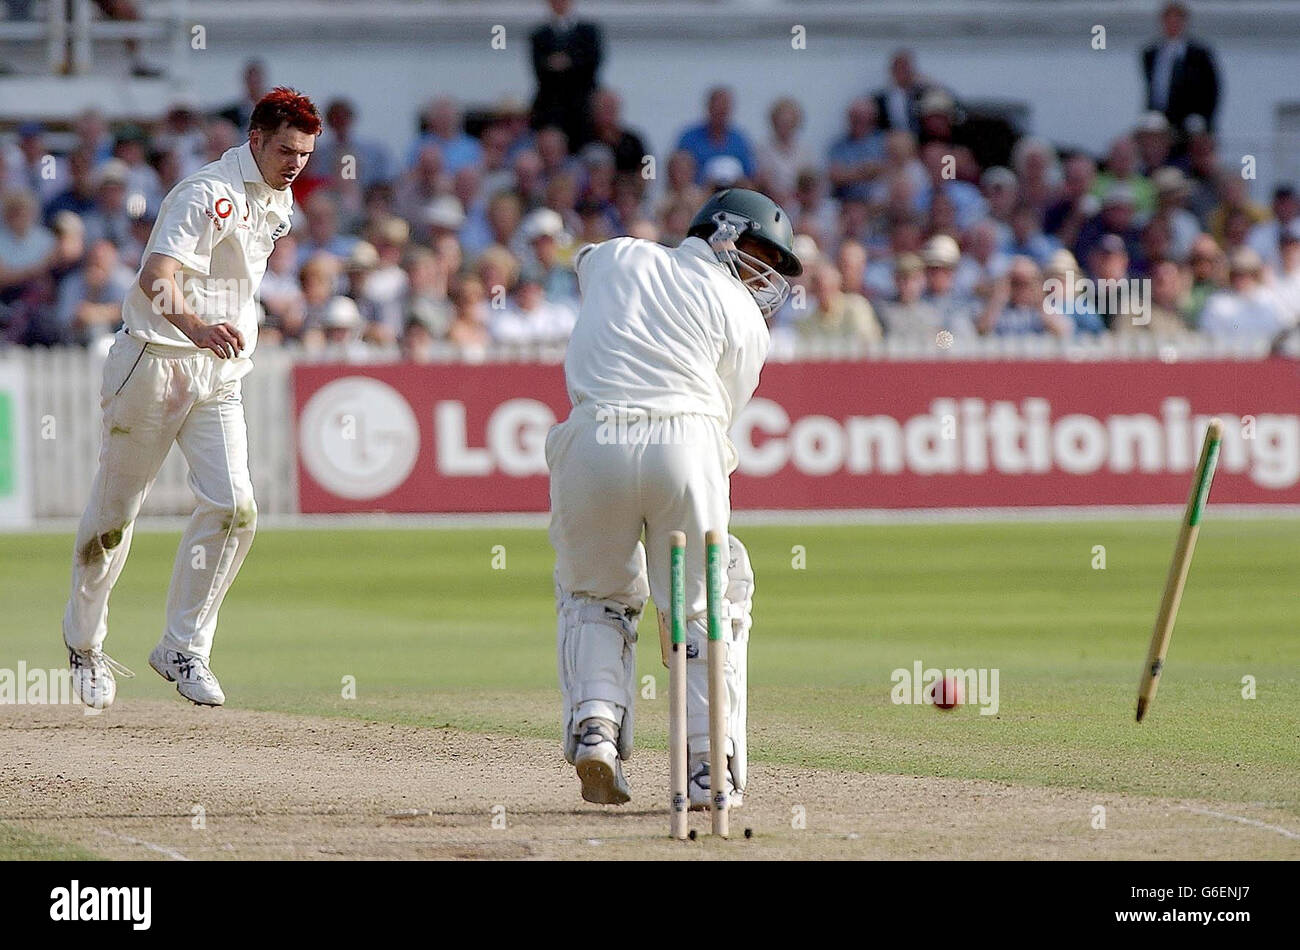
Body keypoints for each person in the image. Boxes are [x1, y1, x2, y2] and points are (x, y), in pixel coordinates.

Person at [60, 88, 320, 710]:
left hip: (217, 375)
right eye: (285, 149)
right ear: (255, 138)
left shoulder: (277, 197)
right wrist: (200, 328)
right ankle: (86, 645)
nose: (295, 164)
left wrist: (219, 336)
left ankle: (183, 646)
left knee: (236, 508)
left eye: (306, 154)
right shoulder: (205, 193)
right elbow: (155, 279)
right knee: (114, 520)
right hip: (154, 363)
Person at [547, 188, 800, 809]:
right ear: (724, 234)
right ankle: (709, 767)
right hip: (685, 442)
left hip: (591, 441)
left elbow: (581, 260)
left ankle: (596, 725)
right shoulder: (742, 319)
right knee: (709, 602)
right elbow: (719, 415)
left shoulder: (618, 255)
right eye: (760, 252)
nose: (765, 274)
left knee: (595, 594)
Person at [1141, 1, 1220, 134]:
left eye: (1176, 21)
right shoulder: (1151, 53)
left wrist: (1204, 118)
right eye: (1168, 21)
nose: (1172, 25)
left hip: (1189, 120)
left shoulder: (1199, 54)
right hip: (1160, 119)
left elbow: (1212, 89)